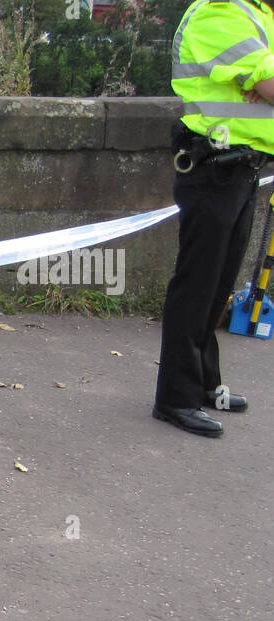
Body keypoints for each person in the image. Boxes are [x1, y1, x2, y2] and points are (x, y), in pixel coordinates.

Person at [156, 0, 274, 437]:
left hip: (241, 167)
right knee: (197, 284)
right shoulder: (219, 12)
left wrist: (260, 85)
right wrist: (261, 84)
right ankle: (175, 398)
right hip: (213, 166)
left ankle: (204, 382)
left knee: (218, 284)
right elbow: (268, 81)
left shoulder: (258, 13)